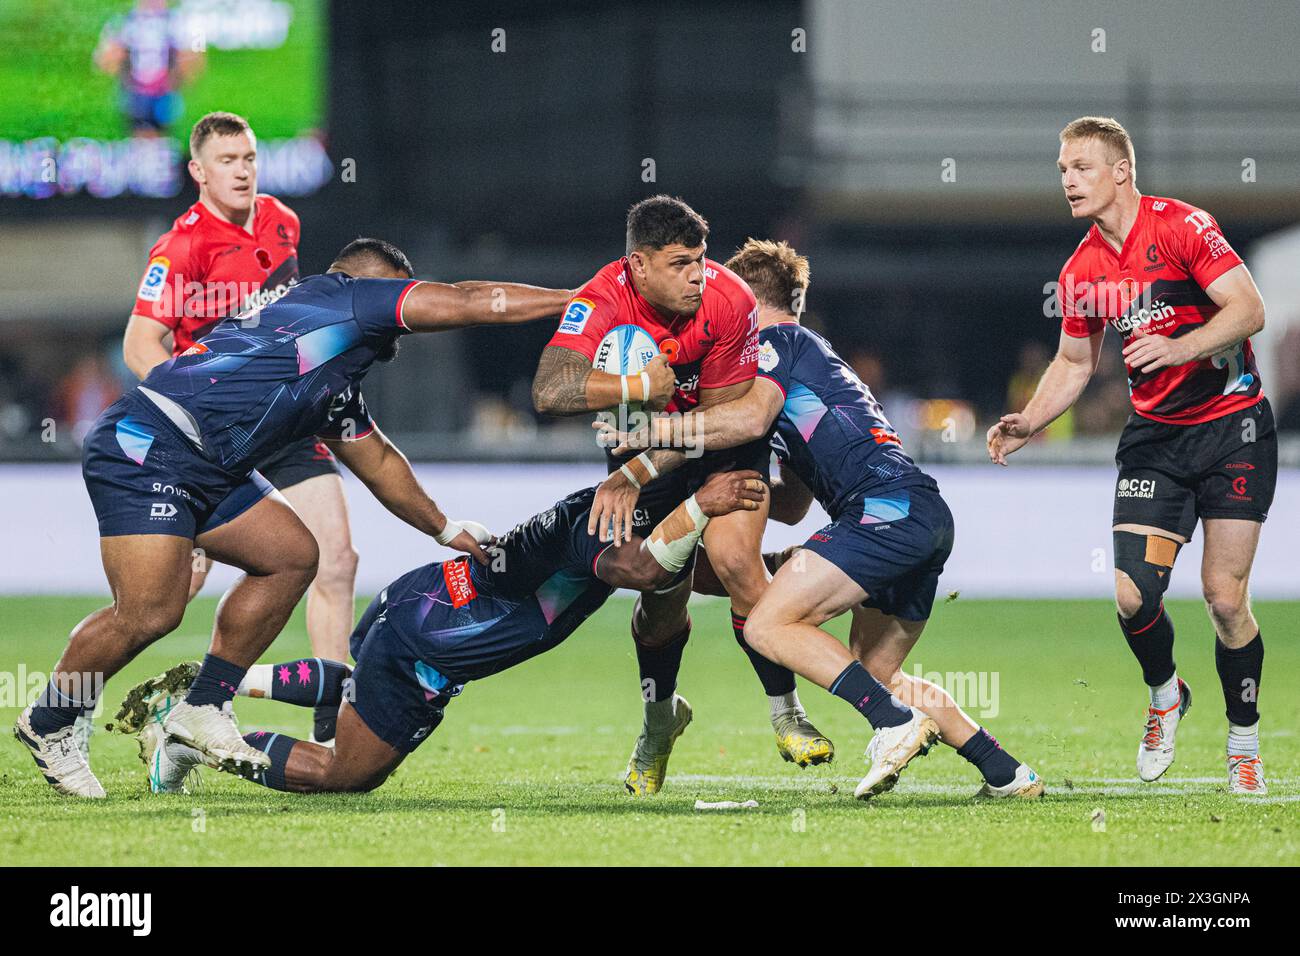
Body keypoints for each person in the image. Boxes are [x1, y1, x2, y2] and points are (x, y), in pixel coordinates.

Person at [15, 238, 571, 798]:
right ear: (372, 283)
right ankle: (49, 722)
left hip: (204, 462)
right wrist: (575, 300)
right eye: (402, 289)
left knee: (291, 557)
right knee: (150, 613)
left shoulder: (332, 376)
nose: (407, 308)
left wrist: (445, 528)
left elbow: (378, 462)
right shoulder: (348, 297)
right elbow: (469, 299)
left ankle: (203, 705)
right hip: (147, 443)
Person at [603, 239, 1043, 799]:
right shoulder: (813, 363)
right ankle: (1006, 773)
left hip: (883, 513)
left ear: (739, 300)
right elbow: (791, 504)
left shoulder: (771, 343)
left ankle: (893, 724)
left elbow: (748, 416)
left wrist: (655, 434)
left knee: (767, 626)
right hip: (918, 513)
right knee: (876, 673)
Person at [117, 472, 767, 794]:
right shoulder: (605, 525)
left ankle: (209, 703)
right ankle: (190, 736)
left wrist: (777, 573)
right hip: (429, 644)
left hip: (421, 596)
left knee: (348, 689)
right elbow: (642, 566)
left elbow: (681, 571)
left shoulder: (608, 503)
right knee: (347, 773)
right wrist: (700, 507)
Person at [987, 116, 1273, 794]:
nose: (1068, 180)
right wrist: (1030, 419)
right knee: (1130, 595)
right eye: (1062, 170)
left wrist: (1179, 347)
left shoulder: (1181, 228)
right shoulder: (1083, 268)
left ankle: (1243, 743)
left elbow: (1250, 308)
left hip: (1234, 429)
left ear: (1121, 171)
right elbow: (1074, 360)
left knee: (1224, 601)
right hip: (1156, 441)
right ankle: (1166, 693)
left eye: (1081, 167)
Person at [531, 195, 832, 795]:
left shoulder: (729, 299)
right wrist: (640, 389)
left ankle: (786, 710)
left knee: (736, 560)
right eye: (679, 264)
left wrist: (640, 469)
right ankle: (658, 722)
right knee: (658, 593)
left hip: (710, 440)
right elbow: (549, 389)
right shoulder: (600, 300)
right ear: (638, 266)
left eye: (700, 258)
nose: (698, 274)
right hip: (641, 442)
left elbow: (719, 423)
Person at [123, 111, 355, 747]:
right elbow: (141, 343)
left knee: (336, 559)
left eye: (249, 157)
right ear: (199, 171)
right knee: (166, 598)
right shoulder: (181, 248)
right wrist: (190, 412)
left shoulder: (283, 221)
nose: (244, 170)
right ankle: (163, 714)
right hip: (217, 434)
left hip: (282, 423)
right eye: (228, 160)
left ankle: (331, 733)